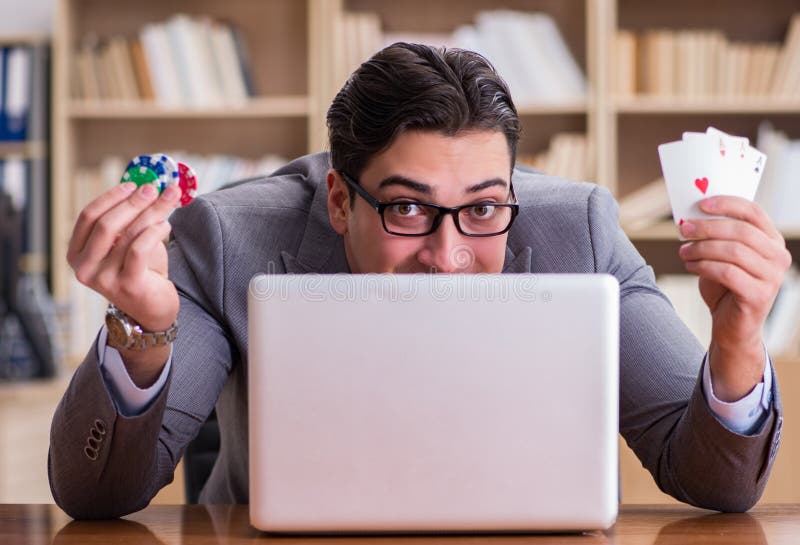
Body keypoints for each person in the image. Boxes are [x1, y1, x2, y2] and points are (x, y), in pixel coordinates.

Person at [49, 43, 790, 519]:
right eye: (406, 206)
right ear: (340, 200)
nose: (448, 254)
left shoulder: (582, 232)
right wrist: (141, 330)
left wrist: (735, 340)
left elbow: (717, 485)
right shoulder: (231, 238)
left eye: (483, 209)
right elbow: (99, 496)